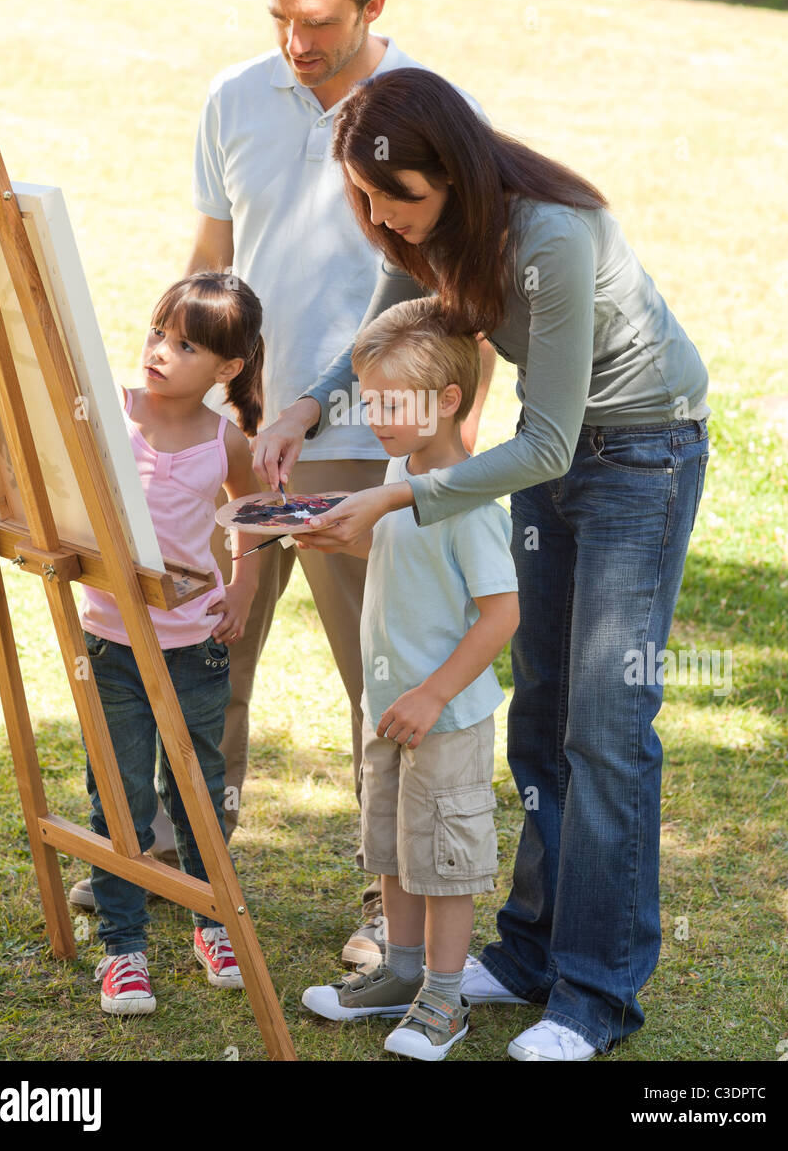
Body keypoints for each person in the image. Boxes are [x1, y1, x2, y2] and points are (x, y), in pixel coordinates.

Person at [253, 67, 711, 1061]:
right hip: (553, 455)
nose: (384, 219)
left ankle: (594, 996)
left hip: (640, 455)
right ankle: (531, 953)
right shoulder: (425, 228)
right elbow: (379, 335)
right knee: (539, 715)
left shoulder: (552, 235)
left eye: (398, 197)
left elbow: (545, 443)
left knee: (604, 729)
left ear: (453, 172)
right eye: (366, 198)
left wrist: (396, 498)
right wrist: (304, 409)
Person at [184, 0, 495, 964]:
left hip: (377, 439)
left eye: (318, 20)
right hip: (247, 431)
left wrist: (441, 449)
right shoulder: (234, 97)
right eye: (280, 17)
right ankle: (190, 859)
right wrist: (191, 401)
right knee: (212, 652)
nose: (297, 41)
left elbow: (466, 294)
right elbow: (210, 259)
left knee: (383, 673)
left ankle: (389, 899)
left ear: (374, 5)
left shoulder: (430, 113)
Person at [299, 298, 519, 1061]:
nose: (375, 418)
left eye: (391, 404)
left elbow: (501, 614)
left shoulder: (471, 502)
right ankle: (399, 972)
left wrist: (433, 694)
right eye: (369, 401)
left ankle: (445, 999)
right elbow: (401, 554)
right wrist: (340, 537)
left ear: (448, 400)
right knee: (393, 846)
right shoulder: (401, 470)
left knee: (444, 862)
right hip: (389, 710)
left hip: (444, 720)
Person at [77, 272, 265, 1015]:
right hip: (110, 645)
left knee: (196, 792)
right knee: (118, 797)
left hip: (194, 650)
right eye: (159, 333)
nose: (160, 350)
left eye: (185, 346)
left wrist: (243, 585)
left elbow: (251, 509)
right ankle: (123, 948)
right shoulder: (109, 410)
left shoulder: (226, 440)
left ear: (227, 368)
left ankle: (212, 921)